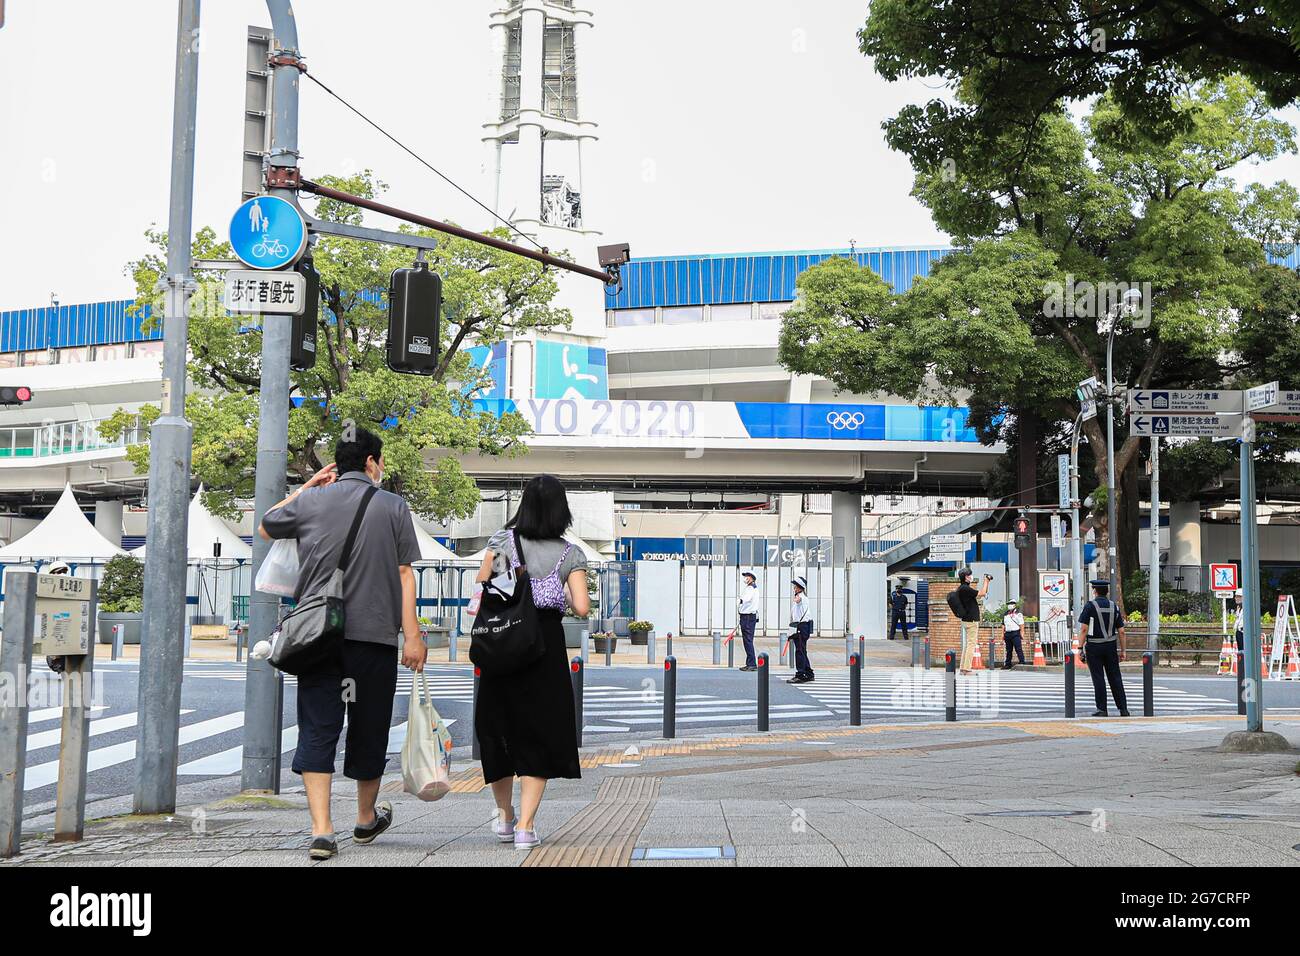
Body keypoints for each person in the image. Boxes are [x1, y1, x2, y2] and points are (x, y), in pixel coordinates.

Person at [260, 427, 426, 861]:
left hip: (318, 636)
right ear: (372, 462)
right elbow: (404, 574)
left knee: (318, 726)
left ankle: (322, 830)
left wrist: (307, 487)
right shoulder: (392, 506)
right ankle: (366, 818)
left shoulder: (311, 501)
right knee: (369, 726)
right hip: (372, 639)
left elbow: (265, 527)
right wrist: (413, 636)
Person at [475, 475, 588, 851]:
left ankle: (505, 818)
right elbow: (582, 607)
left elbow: (483, 586)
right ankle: (526, 826)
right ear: (561, 511)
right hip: (545, 645)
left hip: (504, 641)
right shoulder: (569, 554)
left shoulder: (502, 543)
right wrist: (557, 590)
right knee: (539, 731)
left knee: (500, 728)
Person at [1077, 580, 1131, 717]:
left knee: (1098, 678)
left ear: (1094, 591)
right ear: (1107, 592)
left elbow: (1084, 629)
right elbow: (1122, 631)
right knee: (1115, 678)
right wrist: (1123, 651)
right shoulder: (1115, 607)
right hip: (1110, 647)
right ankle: (1123, 709)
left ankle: (1102, 709)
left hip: (1094, 647)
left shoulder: (1090, 606)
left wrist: (1079, 648)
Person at [955, 568, 990, 674]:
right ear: (965, 577)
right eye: (969, 575)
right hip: (971, 620)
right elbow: (982, 593)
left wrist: (986, 583)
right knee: (971, 644)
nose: (971, 576)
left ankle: (963, 668)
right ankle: (966, 668)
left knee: (968, 644)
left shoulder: (962, 589)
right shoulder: (965, 589)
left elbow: (982, 593)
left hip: (967, 619)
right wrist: (986, 580)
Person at [786, 575, 815, 684]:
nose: (794, 588)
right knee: (802, 650)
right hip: (802, 626)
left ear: (800, 587)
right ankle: (809, 673)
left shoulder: (801, 597)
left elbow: (798, 600)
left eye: (795, 586)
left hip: (802, 627)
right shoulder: (803, 597)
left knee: (799, 651)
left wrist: (797, 597)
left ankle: (800, 674)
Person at [737, 571, 759, 671]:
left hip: (748, 617)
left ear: (751, 578)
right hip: (748, 617)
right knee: (747, 641)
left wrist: (740, 600)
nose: (745, 578)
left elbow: (746, 599)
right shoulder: (751, 588)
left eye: (746, 576)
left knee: (748, 641)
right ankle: (750, 662)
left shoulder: (751, 588)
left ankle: (752, 664)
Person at [1001, 600, 1026, 669]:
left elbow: (1021, 624)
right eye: (1008, 604)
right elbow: (1003, 624)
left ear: (1014, 605)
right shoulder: (1005, 614)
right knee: (1008, 650)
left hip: (1015, 633)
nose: (1009, 605)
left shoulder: (1018, 614)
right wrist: (1002, 634)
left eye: (1011, 604)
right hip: (1007, 633)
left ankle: (1022, 662)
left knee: (1018, 648)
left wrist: (1022, 633)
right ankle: (1008, 664)